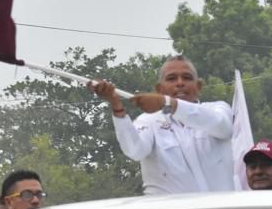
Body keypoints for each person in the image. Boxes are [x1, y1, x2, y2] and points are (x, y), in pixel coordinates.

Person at [91, 55, 234, 195]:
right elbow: (135, 150)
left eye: (187, 77)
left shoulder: (218, 109)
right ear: (159, 89)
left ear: (199, 86)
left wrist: (168, 104)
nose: (180, 83)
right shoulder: (148, 121)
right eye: (172, 78)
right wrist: (117, 106)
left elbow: (223, 127)